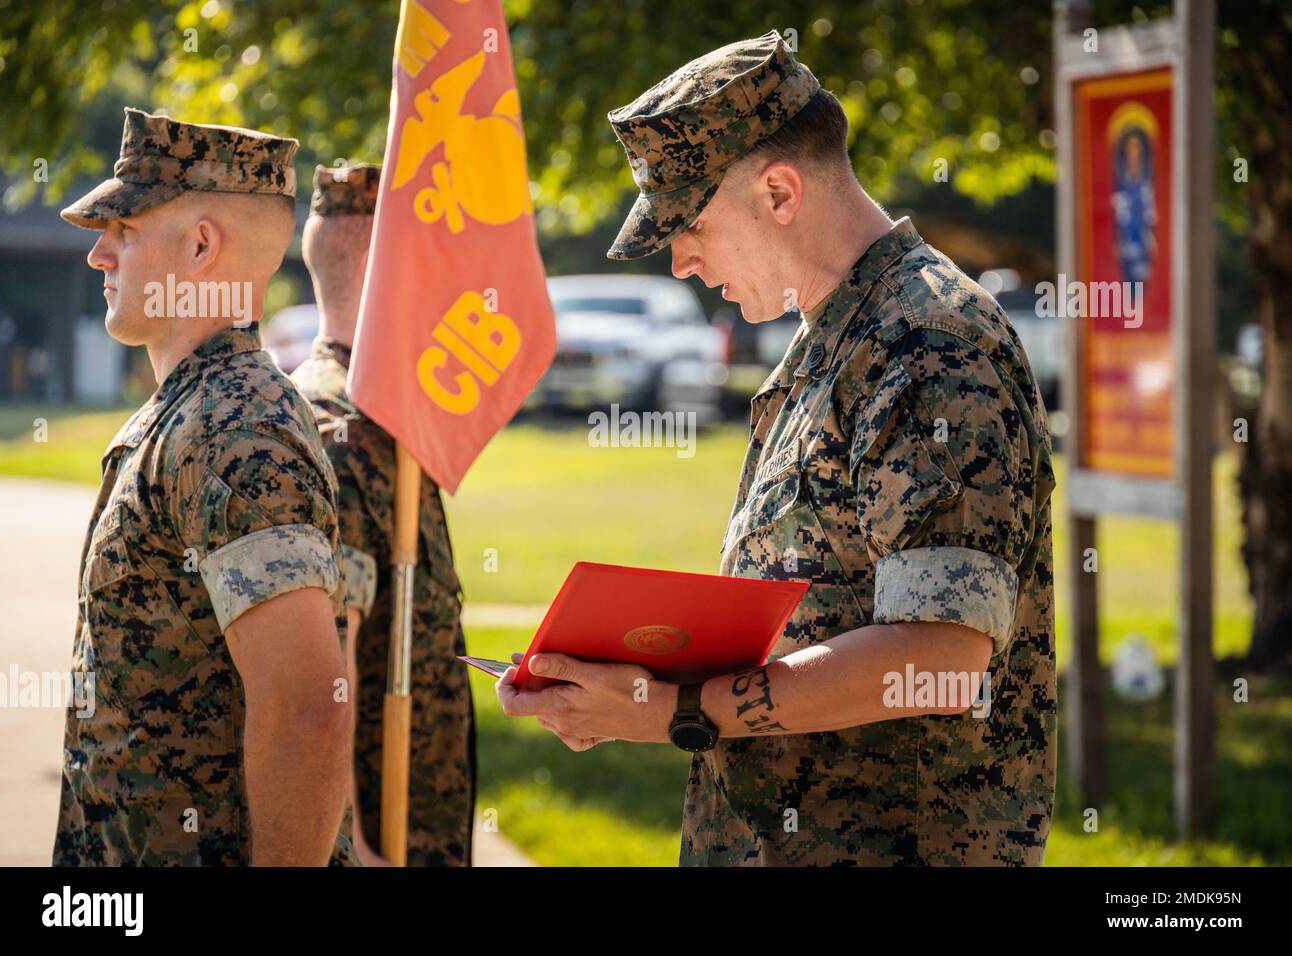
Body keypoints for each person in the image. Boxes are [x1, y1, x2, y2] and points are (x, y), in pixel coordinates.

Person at [497, 32, 1057, 866]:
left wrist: (675, 708)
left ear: (781, 192)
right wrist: (625, 674)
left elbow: (942, 655)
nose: (681, 262)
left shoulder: (929, 342)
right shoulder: (840, 337)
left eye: (689, 225)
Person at [53, 107, 358, 866]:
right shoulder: (198, 409)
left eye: (123, 228)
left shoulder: (236, 426)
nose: (99, 255)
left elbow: (306, 707)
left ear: (199, 247)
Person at [292, 163, 475, 866]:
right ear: (382, 266)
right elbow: (321, 683)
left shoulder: (385, 420)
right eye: (436, 258)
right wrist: (362, 848)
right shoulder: (335, 434)